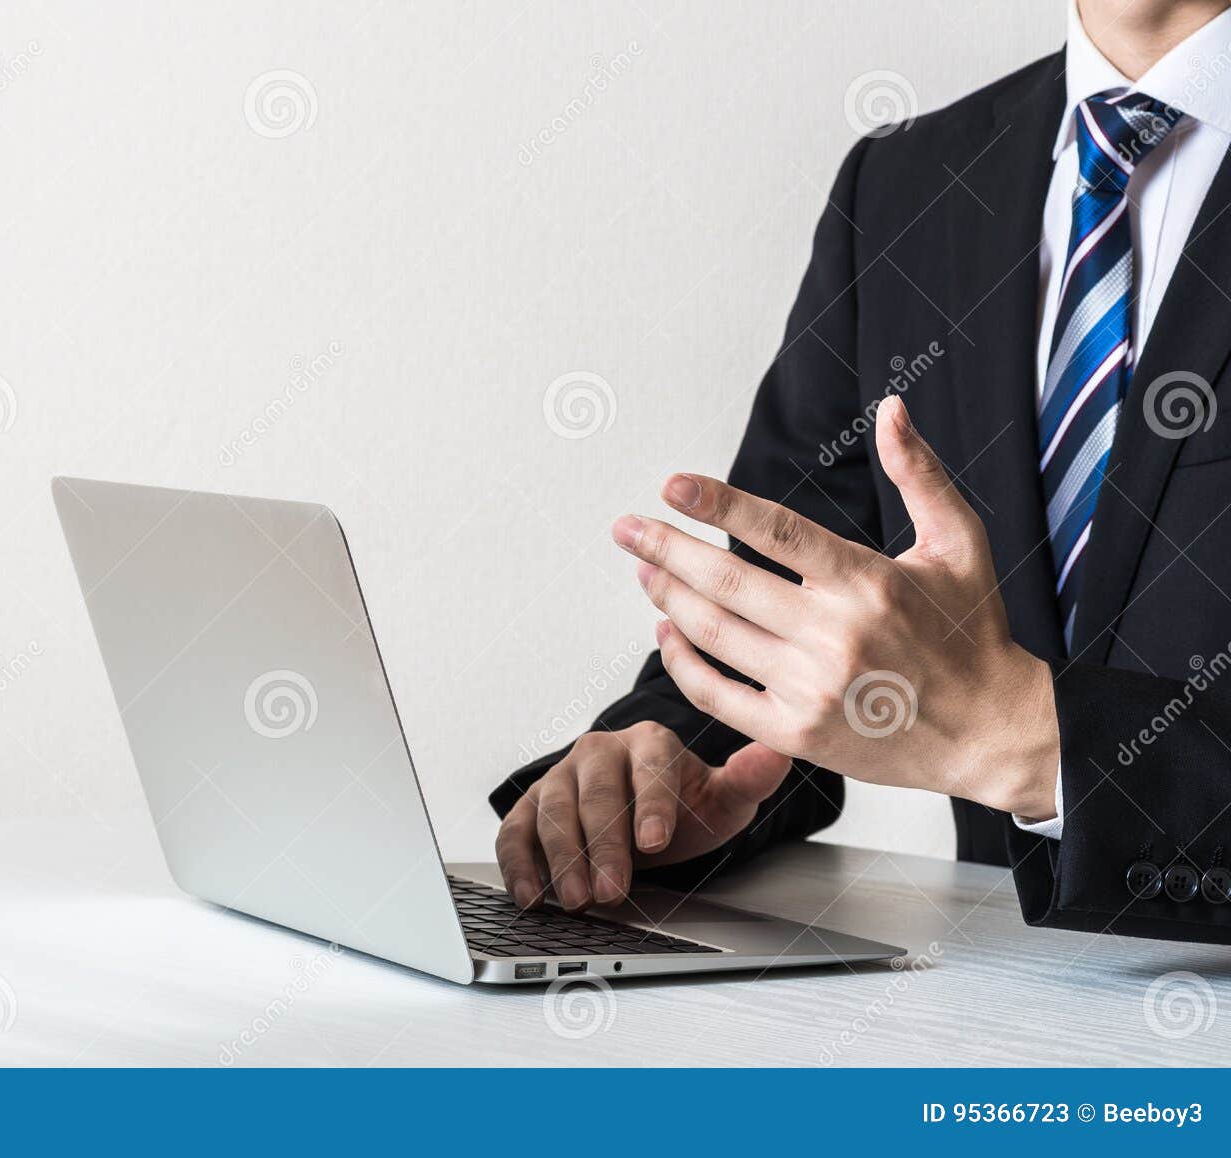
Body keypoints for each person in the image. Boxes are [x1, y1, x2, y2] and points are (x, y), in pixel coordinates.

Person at [491, 0, 1231, 944]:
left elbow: (986, 715)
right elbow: (801, 589)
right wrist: (664, 766)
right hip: (989, 1010)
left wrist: (1036, 745)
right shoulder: (906, 183)